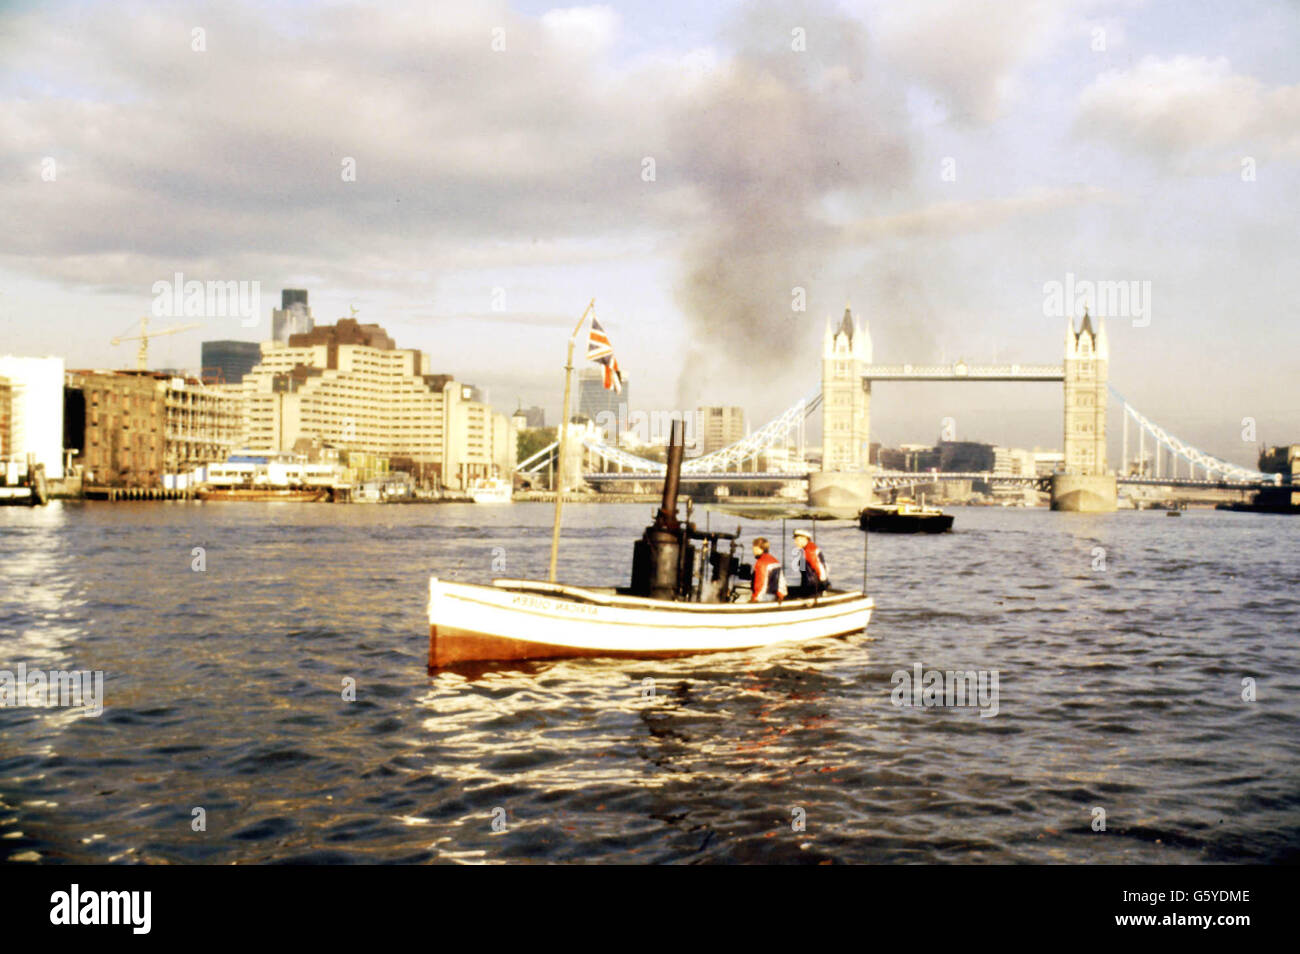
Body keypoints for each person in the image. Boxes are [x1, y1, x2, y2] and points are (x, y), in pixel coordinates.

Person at [793, 529, 830, 597]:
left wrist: (824, 586)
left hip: (813, 589)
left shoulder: (809, 551)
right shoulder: (805, 551)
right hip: (808, 586)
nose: (795, 542)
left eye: (797, 540)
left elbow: (820, 570)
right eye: (795, 540)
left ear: (804, 539)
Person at [750, 537, 787, 603]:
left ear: (759, 549)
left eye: (754, 548)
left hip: (764, 597)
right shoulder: (775, 561)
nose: (753, 551)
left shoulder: (761, 563)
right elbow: (781, 581)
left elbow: (761, 583)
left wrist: (755, 598)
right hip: (774, 596)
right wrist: (781, 595)